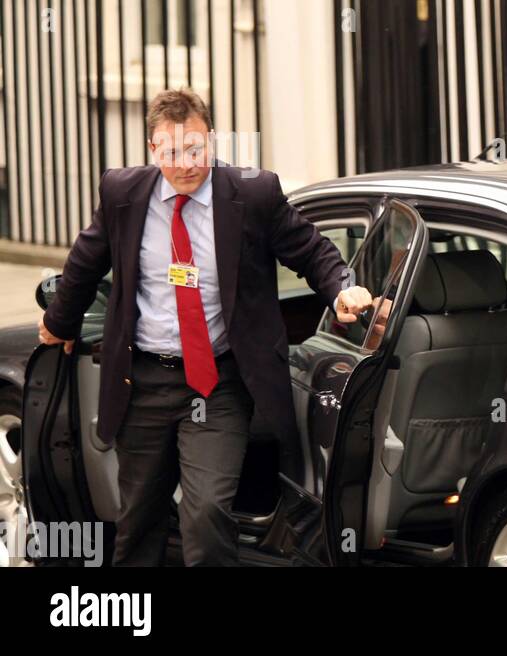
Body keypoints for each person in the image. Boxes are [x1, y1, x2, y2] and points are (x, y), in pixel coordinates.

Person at [37, 88, 375, 566]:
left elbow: (311, 250)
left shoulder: (252, 194)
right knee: (139, 517)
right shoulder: (122, 195)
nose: (185, 163)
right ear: (152, 149)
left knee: (208, 511)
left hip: (217, 383)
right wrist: (58, 323)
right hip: (144, 382)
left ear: (211, 140)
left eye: (195, 148)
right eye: (171, 152)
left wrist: (343, 287)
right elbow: (84, 263)